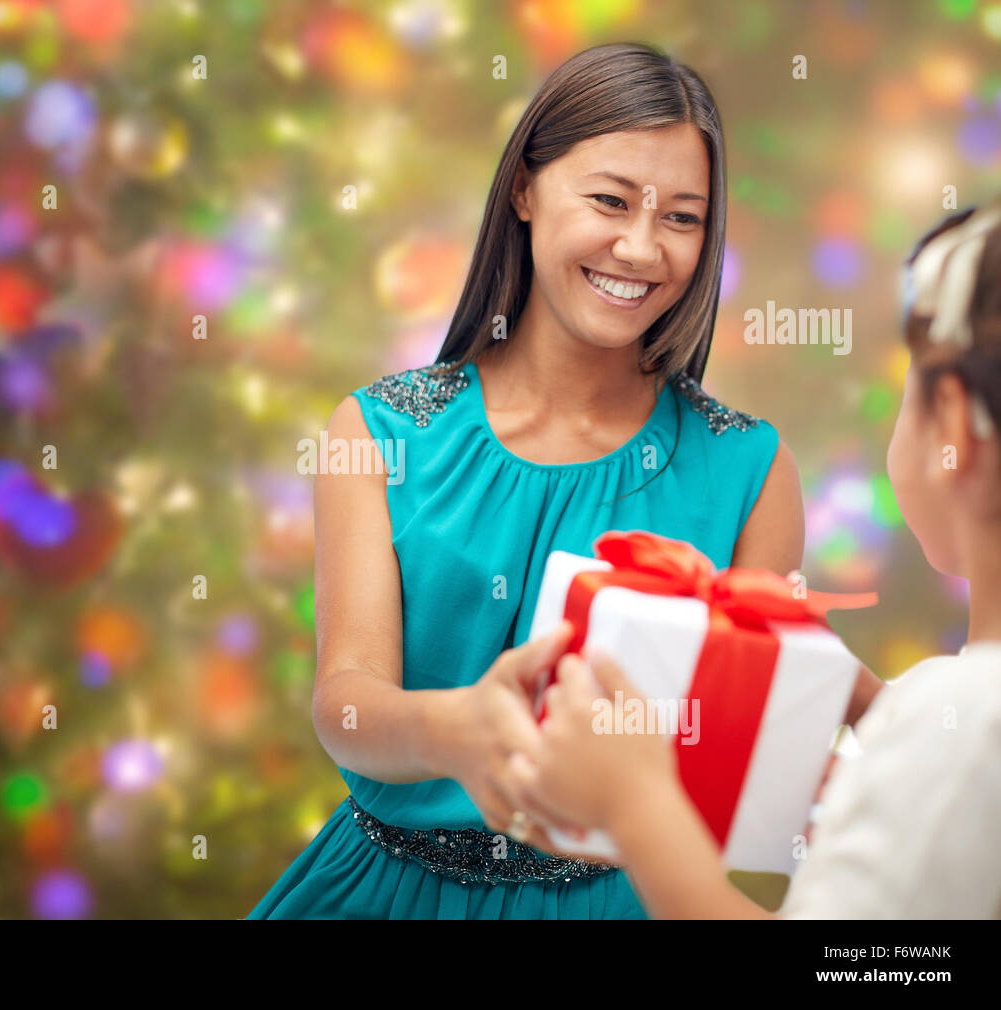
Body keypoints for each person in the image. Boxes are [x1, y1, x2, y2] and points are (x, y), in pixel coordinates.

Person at [246, 41, 881, 920]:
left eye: (683, 218)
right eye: (610, 200)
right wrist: (457, 729)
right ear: (525, 190)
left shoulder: (749, 469)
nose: (640, 246)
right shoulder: (381, 432)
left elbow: (737, 764)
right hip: (380, 892)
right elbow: (345, 705)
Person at [505, 195, 1001, 919]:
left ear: (955, 421)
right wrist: (886, 717)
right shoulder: (952, 712)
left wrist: (637, 808)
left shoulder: (965, 720)